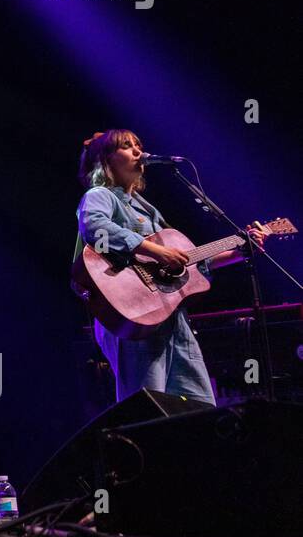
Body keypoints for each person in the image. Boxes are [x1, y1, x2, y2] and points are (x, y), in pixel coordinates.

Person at [75, 130, 268, 404]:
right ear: (105, 160)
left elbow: (188, 266)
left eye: (138, 145)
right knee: (148, 408)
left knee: (201, 409)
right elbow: (95, 227)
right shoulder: (101, 195)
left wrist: (240, 250)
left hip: (172, 319)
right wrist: (156, 250)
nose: (138, 152)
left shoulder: (148, 210)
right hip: (134, 311)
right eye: (127, 147)